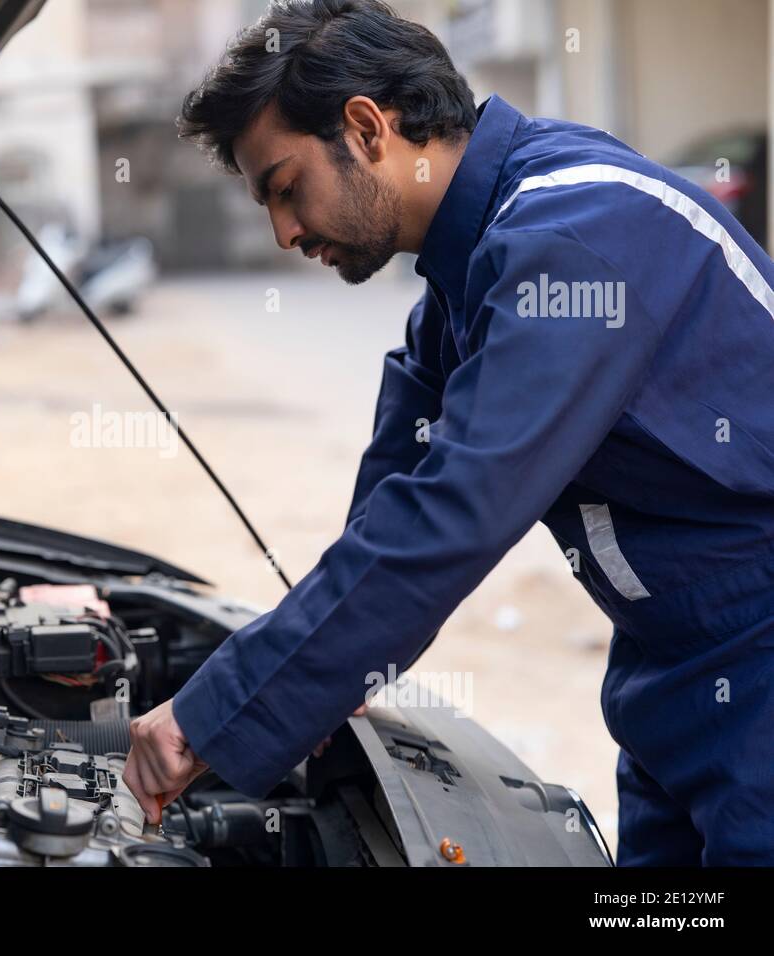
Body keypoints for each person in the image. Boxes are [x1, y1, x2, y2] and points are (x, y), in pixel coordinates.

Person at [122, 0, 774, 866]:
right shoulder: (467, 275)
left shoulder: (574, 238)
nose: (284, 233)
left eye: (285, 187)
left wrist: (210, 718)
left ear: (365, 128)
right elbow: (392, 498)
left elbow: (450, 517)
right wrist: (320, 678)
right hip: (670, 671)